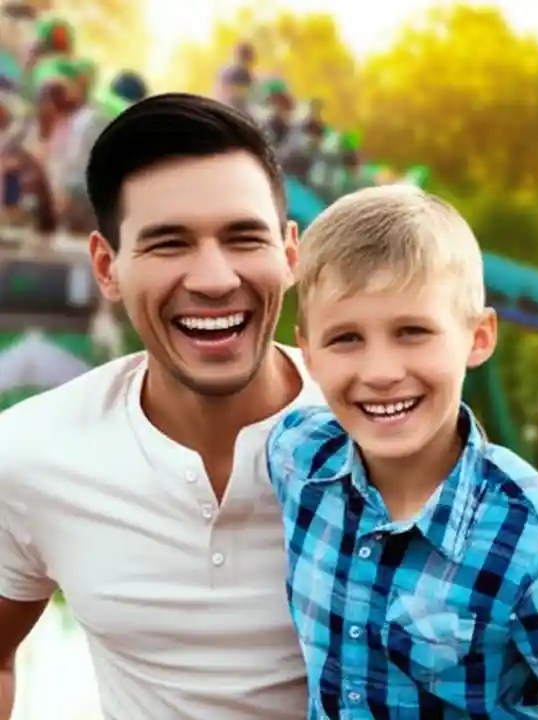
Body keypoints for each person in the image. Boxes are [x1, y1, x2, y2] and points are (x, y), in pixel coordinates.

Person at [266, 184, 538, 718]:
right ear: (308, 353)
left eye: (413, 332)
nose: (382, 372)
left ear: (478, 338)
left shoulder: (526, 526)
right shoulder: (298, 455)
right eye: (346, 339)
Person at [0, 92, 319, 719]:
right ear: (107, 267)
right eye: (169, 243)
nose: (213, 278)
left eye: (242, 237)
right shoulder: (30, 452)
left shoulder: (387, 433)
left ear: (288, 254)